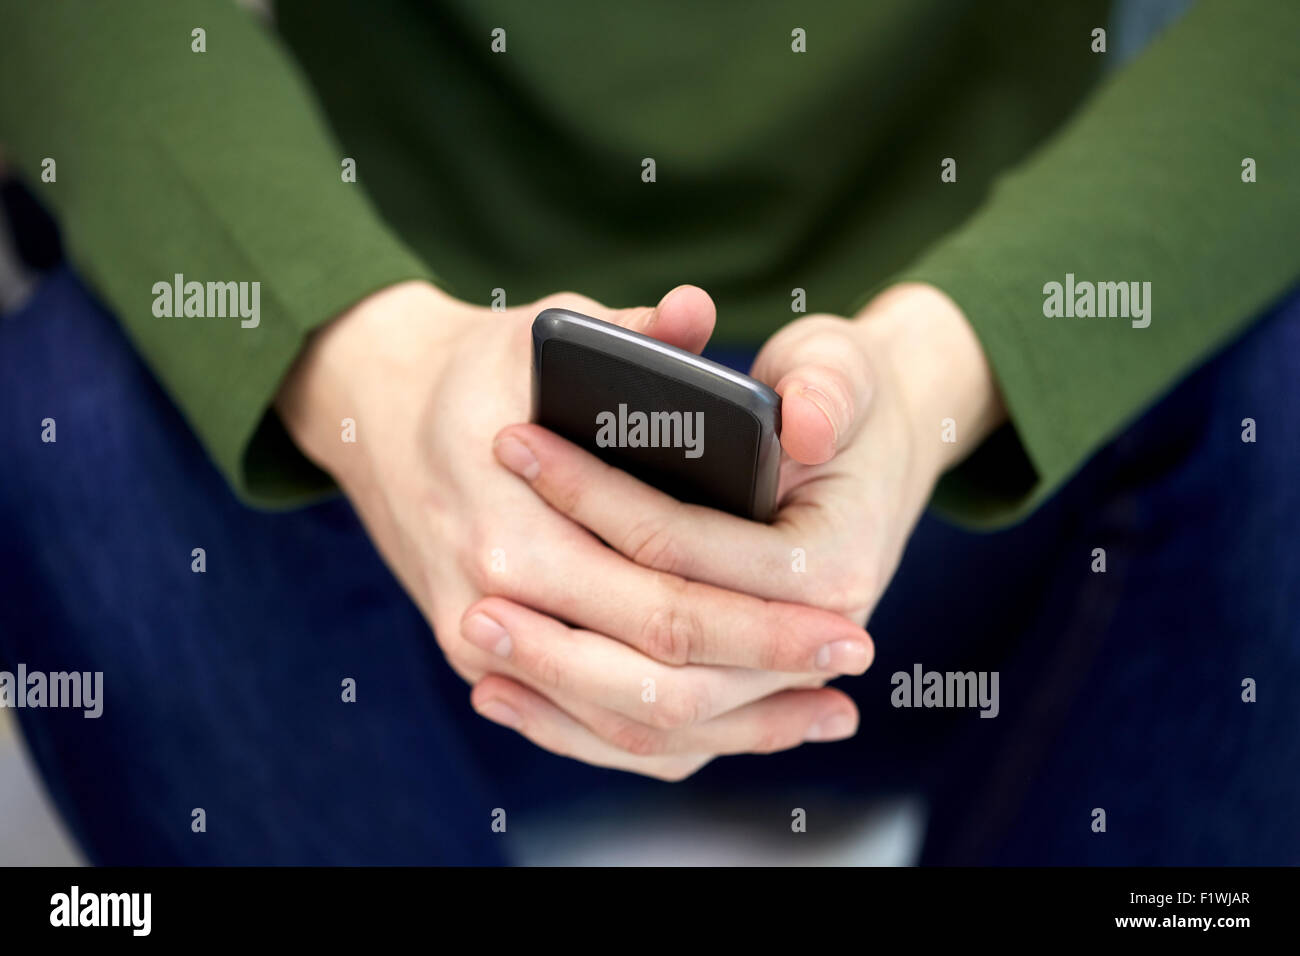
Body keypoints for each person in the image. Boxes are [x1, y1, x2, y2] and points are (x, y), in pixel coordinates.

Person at [0, 0, 1296, 864]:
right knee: (73, 412)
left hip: (950, 490)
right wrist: (373, 378)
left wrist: (940, 372)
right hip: (404, 520)